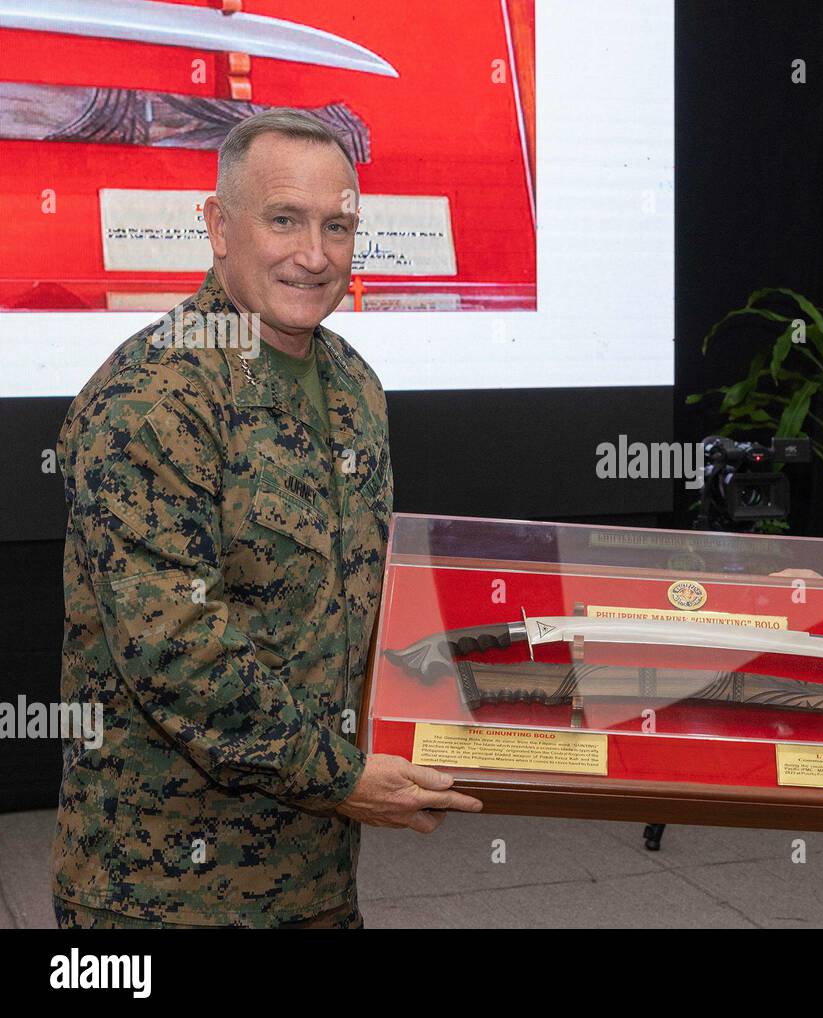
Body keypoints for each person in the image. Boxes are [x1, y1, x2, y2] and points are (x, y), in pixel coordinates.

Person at [53, 109, 481, 929]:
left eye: (337, 226)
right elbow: (177, 652)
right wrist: (346, 780)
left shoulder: (354, 386)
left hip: (314, 872)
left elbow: (367, 601)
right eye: (283, 219)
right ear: (218, 226)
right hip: (163, 891)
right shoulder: (153, 398)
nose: (314, 255)